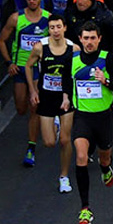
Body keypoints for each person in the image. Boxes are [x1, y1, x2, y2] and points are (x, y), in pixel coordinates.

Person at [68, 22, 113, 224]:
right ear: (80, 39)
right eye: (86, 38)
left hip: (103, 117)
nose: (89, 42)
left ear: (99, 39)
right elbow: (68, 83)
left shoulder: (108, 59)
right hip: (82, 116)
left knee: (104, 156)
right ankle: (85, 208)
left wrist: (106, 81)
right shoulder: (73, 59)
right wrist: (66, 98)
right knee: (82, 156)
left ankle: (106, 168)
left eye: (93, 38)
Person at [0, 0, 50, 167]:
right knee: (21, 108)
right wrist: (9, 62)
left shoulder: (48, 19)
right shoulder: (16, 18)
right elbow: (2, 40)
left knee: (34, 107)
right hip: (20, 68)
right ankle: (35, 117)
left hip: (37, 68)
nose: (31, 1)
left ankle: (31, 147)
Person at [24, 14, 75, 193]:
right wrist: (32, 90)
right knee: (49, 143)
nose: (55, 31)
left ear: (65, 28)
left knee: (65, 140)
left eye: (58, 27)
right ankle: (55, 124)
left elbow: (77, 72)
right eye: (52, 27)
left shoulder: (73, 48)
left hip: (66, 98)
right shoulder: (40, 47)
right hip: (46, 97)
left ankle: (64, 176)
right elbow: (28, 66)